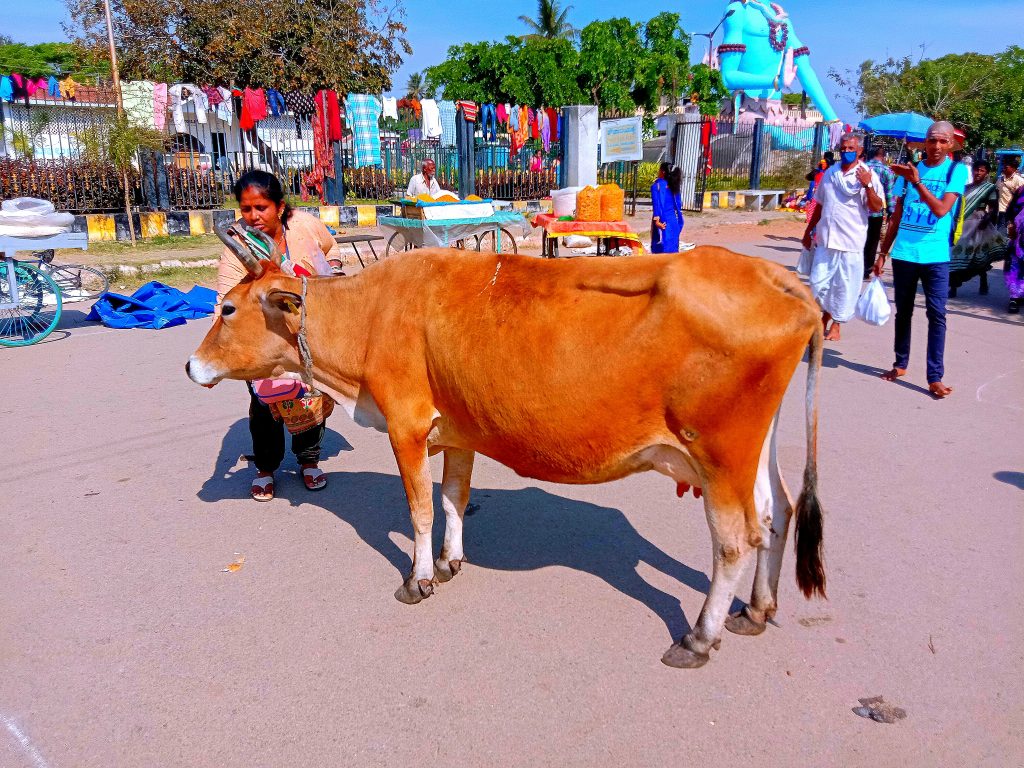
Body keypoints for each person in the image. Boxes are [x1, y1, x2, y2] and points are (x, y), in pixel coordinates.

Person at [216, 170, 341, 501]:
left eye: (261, 207)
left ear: (280, 206)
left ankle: (309, 459)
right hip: (260, 337)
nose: (253, 217)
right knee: (264, 403)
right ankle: (266, 467)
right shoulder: (237, 245)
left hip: (307, 327)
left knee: (309, 395)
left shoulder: (303, 224)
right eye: (246, 209)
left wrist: (334, 270)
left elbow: (330, 249)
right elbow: (225, 300)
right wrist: (219, 354)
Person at [873, 121, 969, 400]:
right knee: (903, 312)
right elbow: (897, 215)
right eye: (931, 141)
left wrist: (917, 181)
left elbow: (941, 210)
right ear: (924, 142)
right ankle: (900, 363)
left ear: (951, 144)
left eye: (942, 141)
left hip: (935, 256)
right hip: (904, 254)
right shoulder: (908, 172)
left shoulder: (956, 170)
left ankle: (934, 377)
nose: (936, 147)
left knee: (937, 315)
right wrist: (883, 253)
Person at [801, 133, 884, 341]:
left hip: (851, 242)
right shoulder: (831, 173)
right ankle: (820, 319)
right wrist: (808, 231)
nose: (846, 152)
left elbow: (877, 207)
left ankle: (836, 324)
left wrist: (867, 185)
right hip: (826, 239)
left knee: (844, 286)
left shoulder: (868, 175)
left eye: (851, 149)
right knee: (818, 283)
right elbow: (820, 204)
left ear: (860, 152)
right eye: (843, 149)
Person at [949, 160, 1001, 297]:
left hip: (978, 224)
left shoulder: (990, 188)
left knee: (977, 256)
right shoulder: (965, 187)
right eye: (976, 170)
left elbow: (994, 207)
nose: (978, 173)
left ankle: (983, 280)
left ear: (987, 173)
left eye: (982, 170)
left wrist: (988, 219)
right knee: (956, 255)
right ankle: (953, 287)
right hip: (962, 224)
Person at [863, 146, 897, 278]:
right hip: (876, 213)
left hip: (861, 211)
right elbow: (889, 194)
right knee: (872, 242)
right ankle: (867, 269)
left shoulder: (863, 168)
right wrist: (891, 212)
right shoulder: (887, 172)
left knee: (861, 239)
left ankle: (858, 266)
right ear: (883, 157)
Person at [651, 163, 694, 253]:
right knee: (673, 246)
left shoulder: (656, 186)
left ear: (662, 172)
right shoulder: (673, 185)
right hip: (673, 220)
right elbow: (677, 204)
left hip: (662, 221)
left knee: (661, 247)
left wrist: (657, 220)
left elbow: (657, 204)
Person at [1005, 187, 1024, 313]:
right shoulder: (1021, 190)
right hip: (1019, 237)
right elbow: (1010, 210)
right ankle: (1014, 298)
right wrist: (1011, 225)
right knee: (1015, 266)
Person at [996, 156, 1024, 227]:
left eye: (1006, 167)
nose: (1003, 169)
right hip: (999, 211)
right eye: (1003, 167)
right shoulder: (1000, 179)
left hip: (1010, 212)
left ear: (1013, 168)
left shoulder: (1019, 181)